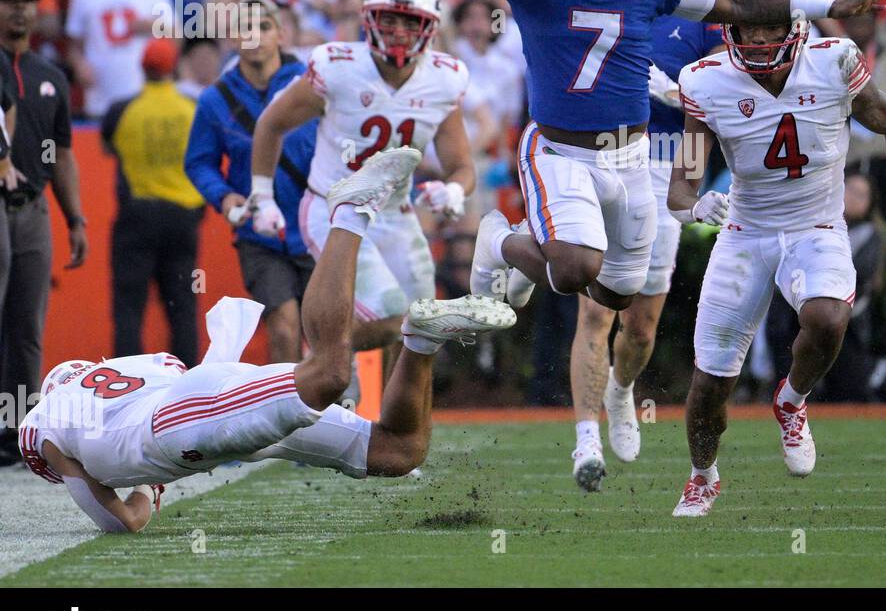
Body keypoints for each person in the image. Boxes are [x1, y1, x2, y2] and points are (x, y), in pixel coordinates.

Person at [423, 0, 886, 490]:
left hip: (636, 155)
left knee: (619, 298)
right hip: (561, 149)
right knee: (574, 270)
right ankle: (500, 242)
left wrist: (825, 6)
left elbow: (735, 3)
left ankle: (605, 368)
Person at [16, 147, 515, 533]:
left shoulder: (47, 427)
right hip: (198, 402)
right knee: (398, 452)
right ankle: (420, 339)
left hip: (183, 425)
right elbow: (176, 370)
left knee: (329, 375)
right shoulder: (116, 377)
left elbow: (122, 521)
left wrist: (149, 487)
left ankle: (350, 212)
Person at [667, 0, 886, 517]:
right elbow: (681, 188)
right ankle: (703, 474)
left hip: (816, 227)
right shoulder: (705, 80)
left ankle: (791, 401)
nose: (758, 39)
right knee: (711, 381)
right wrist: (696, 208)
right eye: (748, 27)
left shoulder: (835, 63)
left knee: (830, 317)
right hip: (744, 233)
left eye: (770, 27)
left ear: (797, 25)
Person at [568, 0, 723, 470]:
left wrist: (683, 96)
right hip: (602, 151)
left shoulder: (703, 18)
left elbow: (720, 111)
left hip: (661, 165)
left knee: (640, 324)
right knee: (594, 310)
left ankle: (621, 388)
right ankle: (586, 442)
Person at [250, 0, 475, 353]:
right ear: (369, 18)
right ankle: (321, 357)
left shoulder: (444, 78)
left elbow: (462, 165)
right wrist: (262, 196)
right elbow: (272, 124)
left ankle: (397, 414)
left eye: (410, 21)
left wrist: (453, 191)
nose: (399, 30)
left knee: (423, 330)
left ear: (429, 27)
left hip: (395, 213)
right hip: (333, 207)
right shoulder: (338, 66)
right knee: (392, 318)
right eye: (389, 18)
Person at [185, 0, 318, 366]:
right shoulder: (215, 100)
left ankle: (332, 415)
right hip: (259, 232)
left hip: (316, 226)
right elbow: (199, 162)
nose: (255, 36)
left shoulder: (313, 84)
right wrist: (224, 197)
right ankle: (289, 416)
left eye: (264, 27)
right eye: (245, 28)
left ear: (281, 34)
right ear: (231, 37)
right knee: (285, 326)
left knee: (327, 331)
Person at [102, 39, 208, 367]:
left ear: (142, 68)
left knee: (129, 308)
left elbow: (109, 146)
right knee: (182, 307)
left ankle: (127, 386)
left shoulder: (123, 110)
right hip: (182, 218)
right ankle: (187, 387)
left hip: (137, 214)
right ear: (174, 67)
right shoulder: (191, 108)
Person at [0, 0, 50, 468]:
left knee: (26, 324)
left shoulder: (47, 74)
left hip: (32, 204)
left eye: (27, 1)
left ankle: (21, 431)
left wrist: (75, 216)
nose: (19, 9)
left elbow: (68, 150)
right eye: (9, 1)